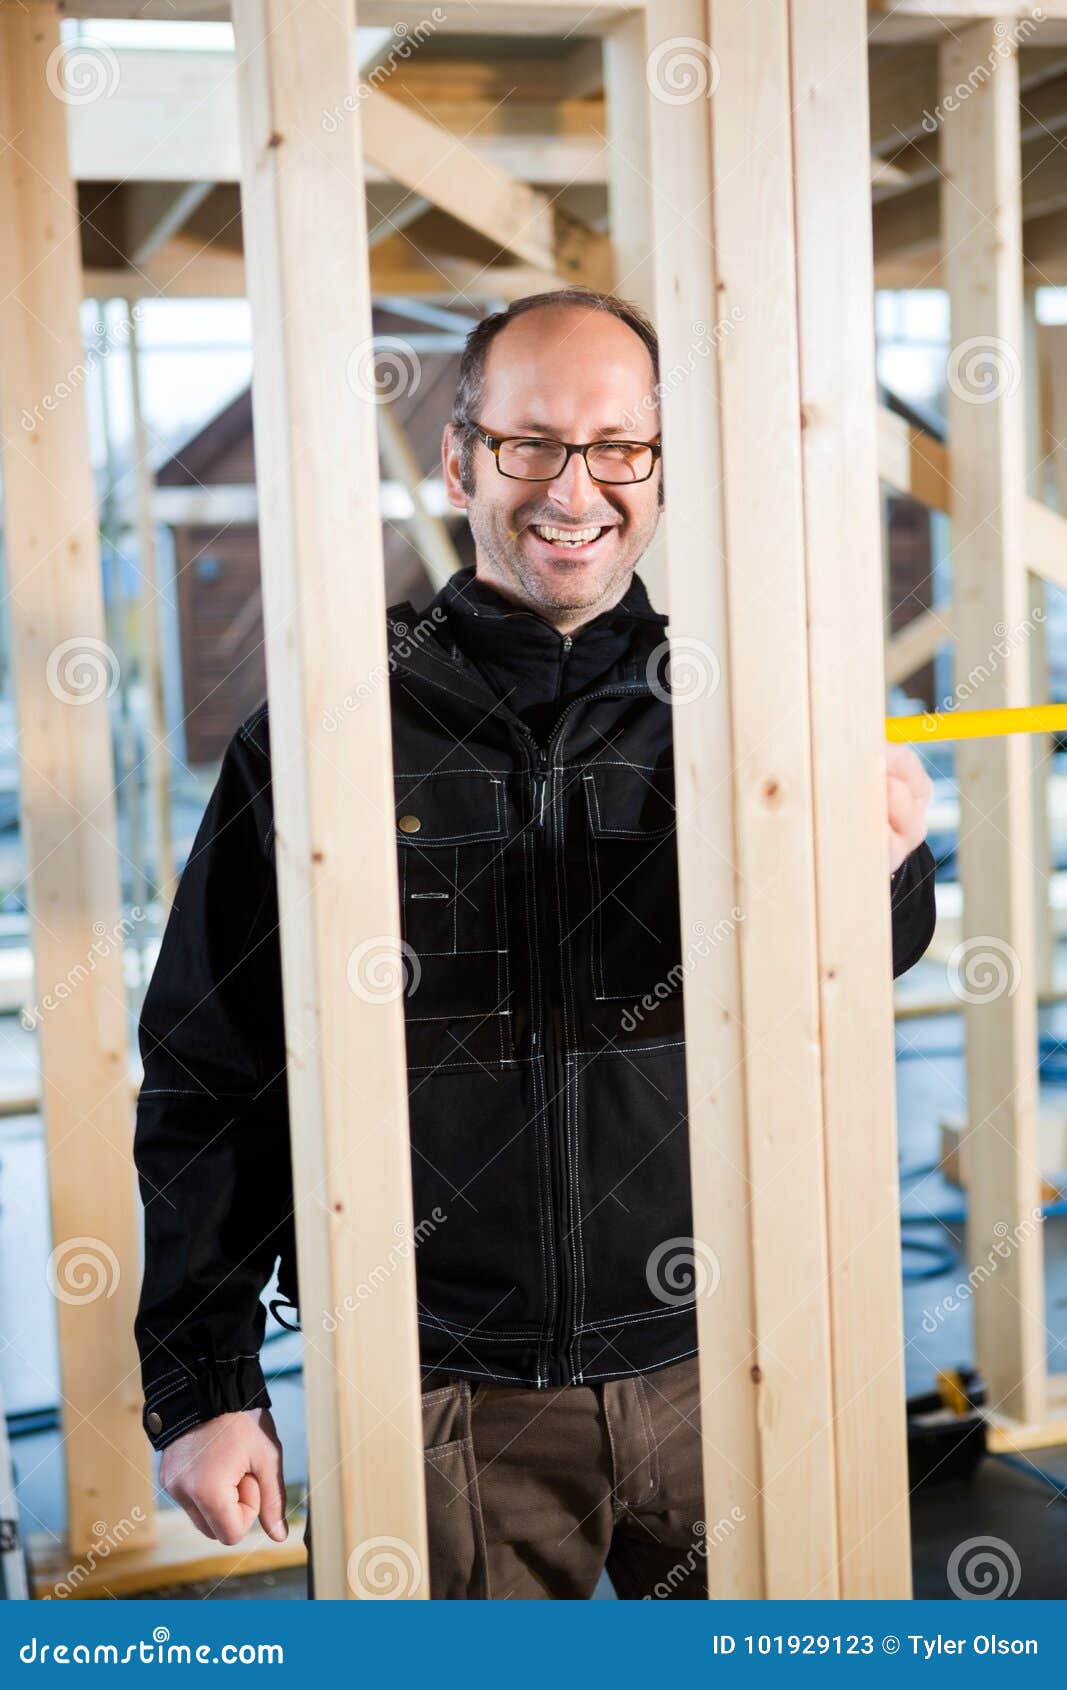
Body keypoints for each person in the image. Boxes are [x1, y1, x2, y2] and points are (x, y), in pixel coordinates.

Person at [132, 286, 937, 1600]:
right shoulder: (331, 742)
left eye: (621, 445)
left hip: (731, 1361)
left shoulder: (739, 717)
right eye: (533, 442)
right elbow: (209, 1073)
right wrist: (205, 1383)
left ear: (661, 471)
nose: (579, 485)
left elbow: (857, 966)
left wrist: (892, 865)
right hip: (449, 1395)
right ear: (461, 461)